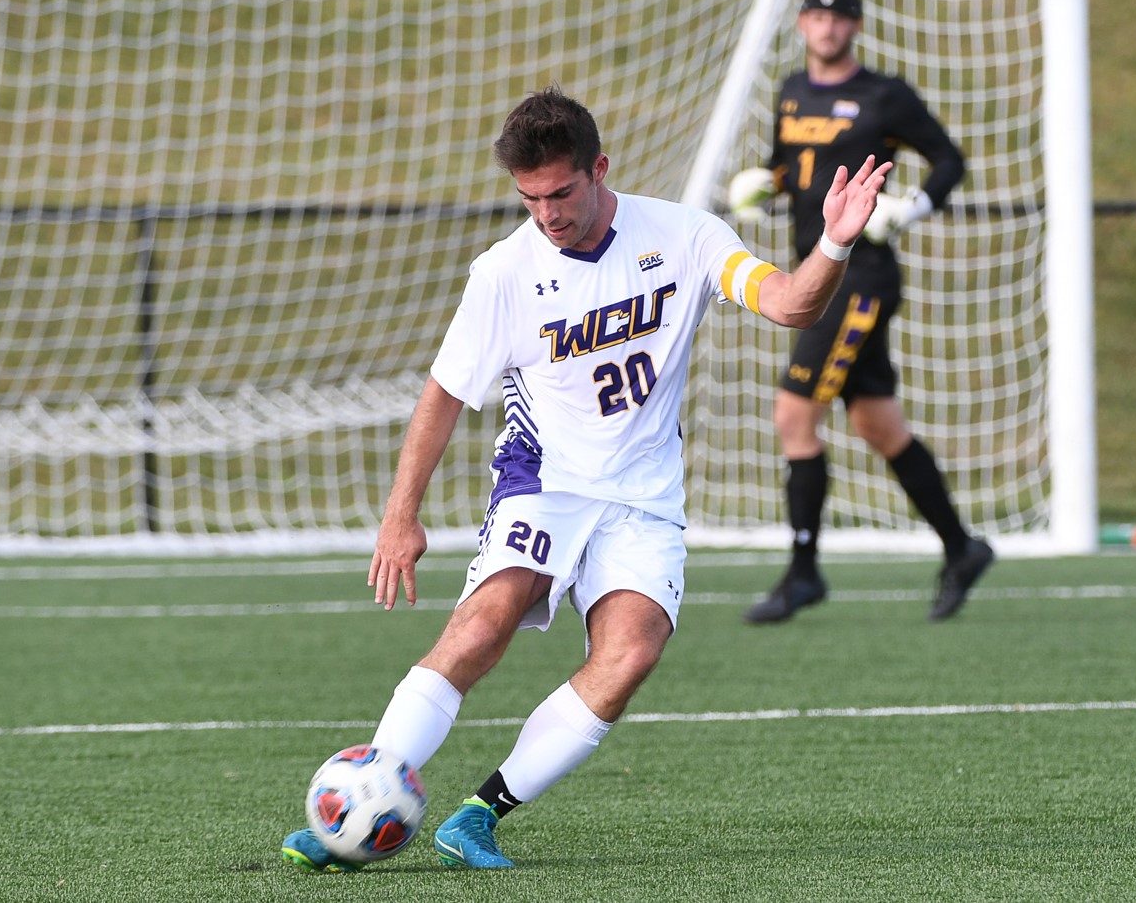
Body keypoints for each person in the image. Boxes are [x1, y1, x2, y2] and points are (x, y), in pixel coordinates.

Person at [281, 84, 893, 872]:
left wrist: (834, 243)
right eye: (529, 197)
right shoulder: (504, 272)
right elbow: (443, 394)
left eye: (561, 193)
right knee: (483, 625)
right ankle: (358, 803)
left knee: (632, 651)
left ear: (599, 169)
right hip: (544, 481)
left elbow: (790, 305)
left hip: (642, 496)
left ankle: (478, 816)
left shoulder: (684, 235)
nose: (547, 214)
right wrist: (402, 514)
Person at [726, 0, 995, 625]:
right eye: (818, 16)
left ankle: (803, 573)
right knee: (878, 424)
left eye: (841, 17)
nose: (829, 27)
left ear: (857, 25)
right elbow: (792, 166)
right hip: (815, 272)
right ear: (802, 24)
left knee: (793, 415)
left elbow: (949, 160)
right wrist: (767, 181)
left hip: (861, 280)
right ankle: (962, 548)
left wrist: (913, 207)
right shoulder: (792, 91)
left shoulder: (884, 95)